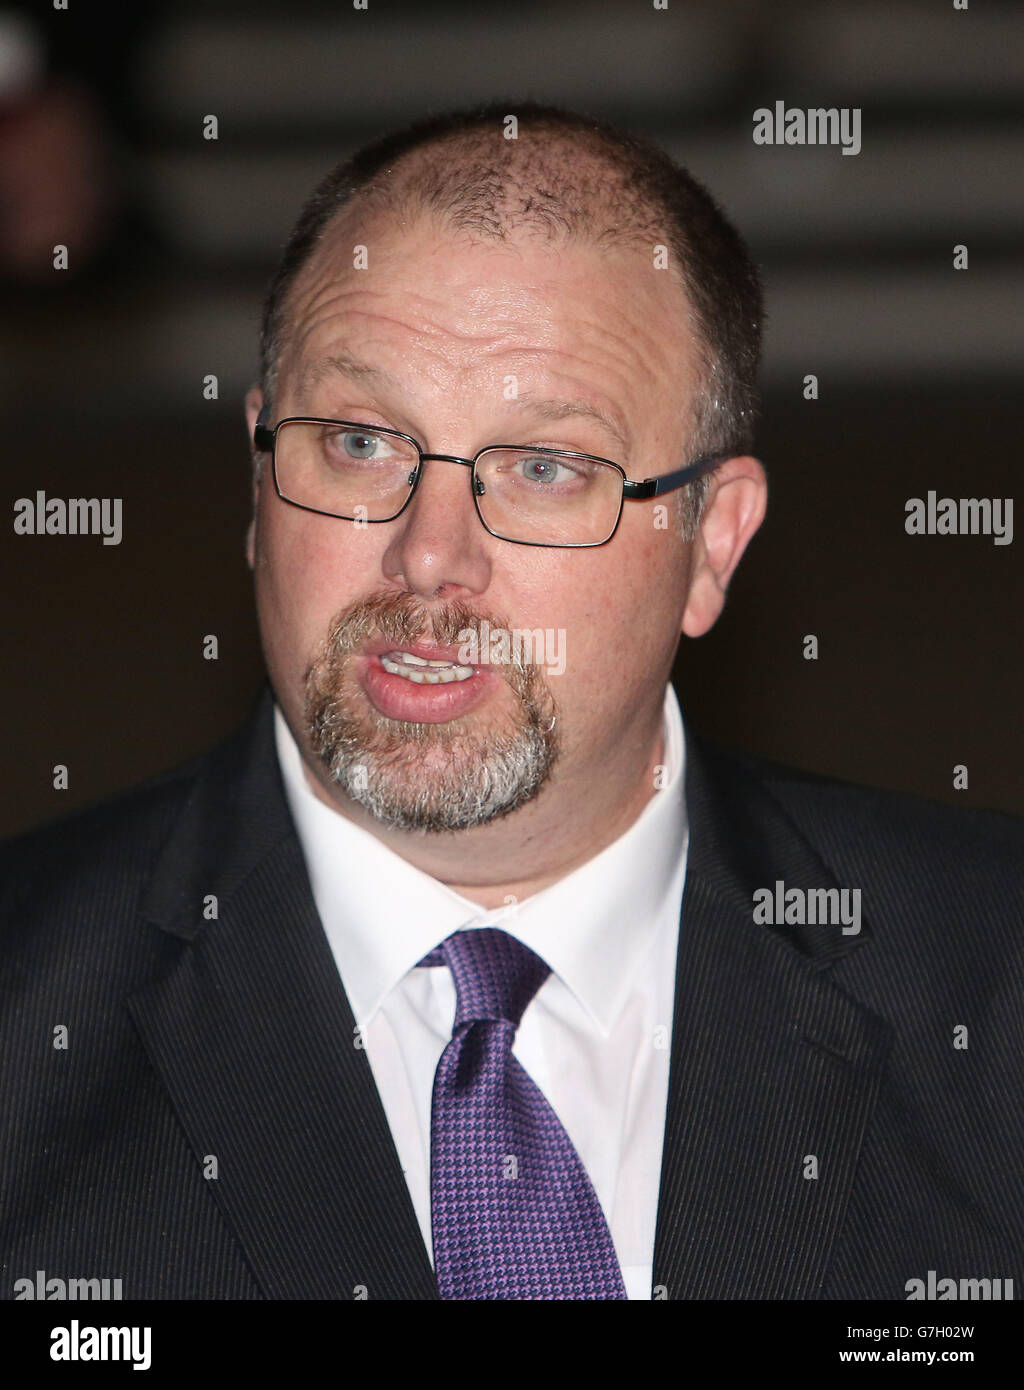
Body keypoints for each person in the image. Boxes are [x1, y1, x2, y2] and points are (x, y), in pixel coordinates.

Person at [2, 103, 1020, 1302]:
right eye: (361, 443)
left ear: (712, 545)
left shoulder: (987, 997)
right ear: (258, 476)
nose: (430, 557)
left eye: (544, 468)